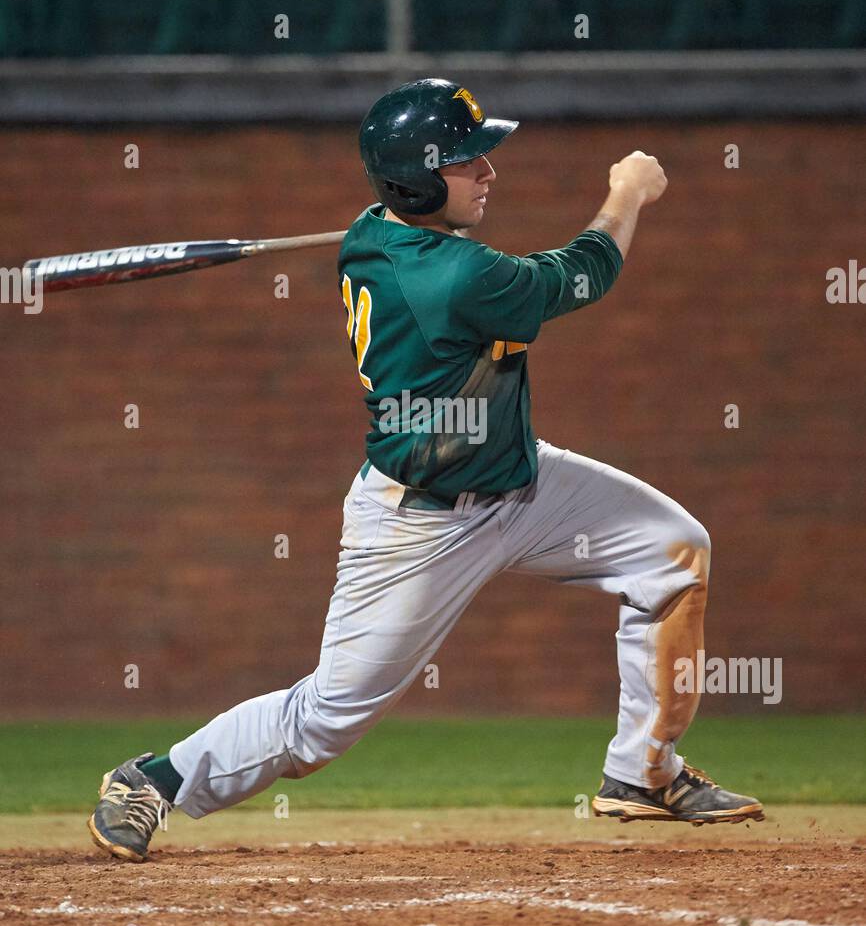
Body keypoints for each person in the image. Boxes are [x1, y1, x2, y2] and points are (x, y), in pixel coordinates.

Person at [88, 78, 763, 863]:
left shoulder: (375, 233)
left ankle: (644, 772)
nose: (488, 171)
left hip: (522, 480)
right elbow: (584, 273)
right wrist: (627, 193)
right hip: (423, 519)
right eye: (470, 160)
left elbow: (459, 251)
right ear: (416, 180)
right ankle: (154, 779)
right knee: (324, 721)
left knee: (673, 549)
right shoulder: (451, 277)